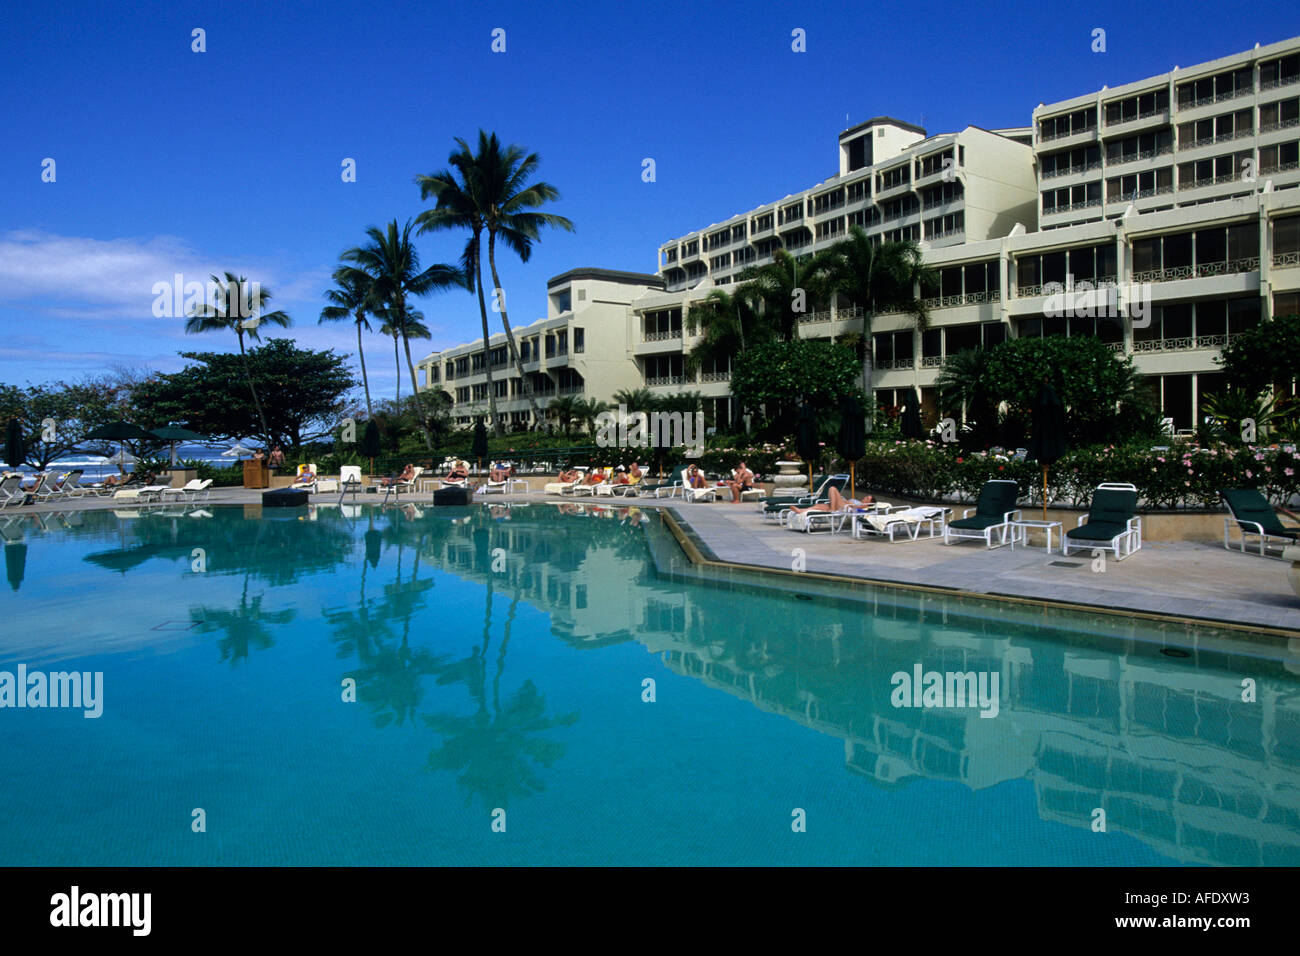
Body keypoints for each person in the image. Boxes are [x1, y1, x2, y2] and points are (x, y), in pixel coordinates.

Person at [788, 486, 873, 515]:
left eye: (868, 499)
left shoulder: (864, 506)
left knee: (832, 489)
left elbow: (856, 507)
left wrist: (848, 502)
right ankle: (801, 510)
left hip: (845, 508)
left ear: (870, 503)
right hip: (841, 505)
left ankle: (832, 509)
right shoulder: (857, 500)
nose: (865, 498)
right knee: (818, 506)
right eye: (866, 496)